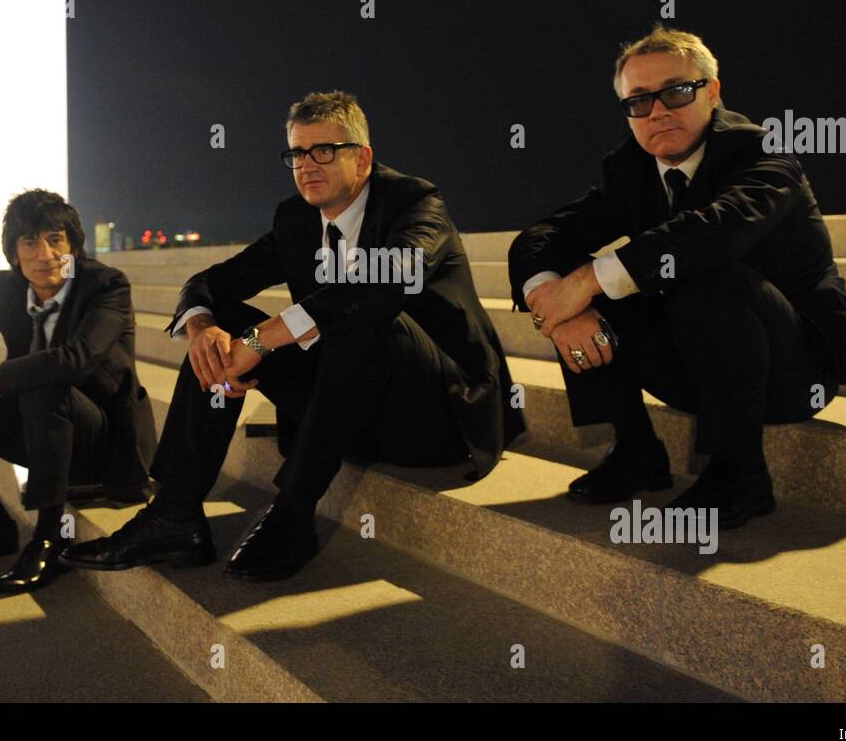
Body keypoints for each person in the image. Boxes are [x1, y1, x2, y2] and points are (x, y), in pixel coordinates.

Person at [62, 90, 525, 581]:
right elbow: (209, 284)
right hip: (349, 407)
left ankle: (295, 512)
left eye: (323, 151)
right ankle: (174, 515)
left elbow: (388, 282)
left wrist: (260, 341)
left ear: (362, 158)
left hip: (435, 412)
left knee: (364, 315)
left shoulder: (415, 204)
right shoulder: (297, 219)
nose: (307, 165)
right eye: (297, 154)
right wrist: (202, 328)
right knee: (221, 335)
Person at [508, 25, 846, 528]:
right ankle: (637, 452)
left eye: (676, 91)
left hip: (792, 371)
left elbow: (716, 234)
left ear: (712, 91)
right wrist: (554, 306)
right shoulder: (633, 173)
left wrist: (586, 282)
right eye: (638, 101)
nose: (657, 111)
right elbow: (540, 237)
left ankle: (740, 474)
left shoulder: (766, 156)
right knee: (578, 289)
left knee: (704, 275)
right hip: (696, 370)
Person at [0, 189, 155, 594]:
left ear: (73, 246)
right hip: (40, 431)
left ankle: (50, 537)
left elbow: (73, 360)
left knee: (44, 385)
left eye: (55, 239)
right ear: (13, 253)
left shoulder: (104, 286)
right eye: (29, 242)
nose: (45, 255)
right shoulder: (3, 289)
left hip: (102, 441)